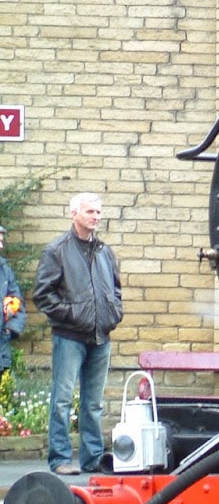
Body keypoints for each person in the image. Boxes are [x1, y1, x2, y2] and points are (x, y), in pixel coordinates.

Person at [33, 193, 122, 475]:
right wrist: (73, 316)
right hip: (69, 337)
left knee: (93, 403)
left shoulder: (105, 251)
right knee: (61, 400)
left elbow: (115, 290)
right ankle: (59, 459)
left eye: (98, 211)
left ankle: (92, 458)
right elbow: (43, 295)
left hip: (100, 337)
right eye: (90, 211)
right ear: (74, 214)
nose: (96, 216)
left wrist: (113, 313)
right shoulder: (56, 251)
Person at [0, 222, 25, 373]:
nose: (1, 246)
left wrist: (10, 329)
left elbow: (18, 302)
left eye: (1, 241)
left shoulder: (5, 270)